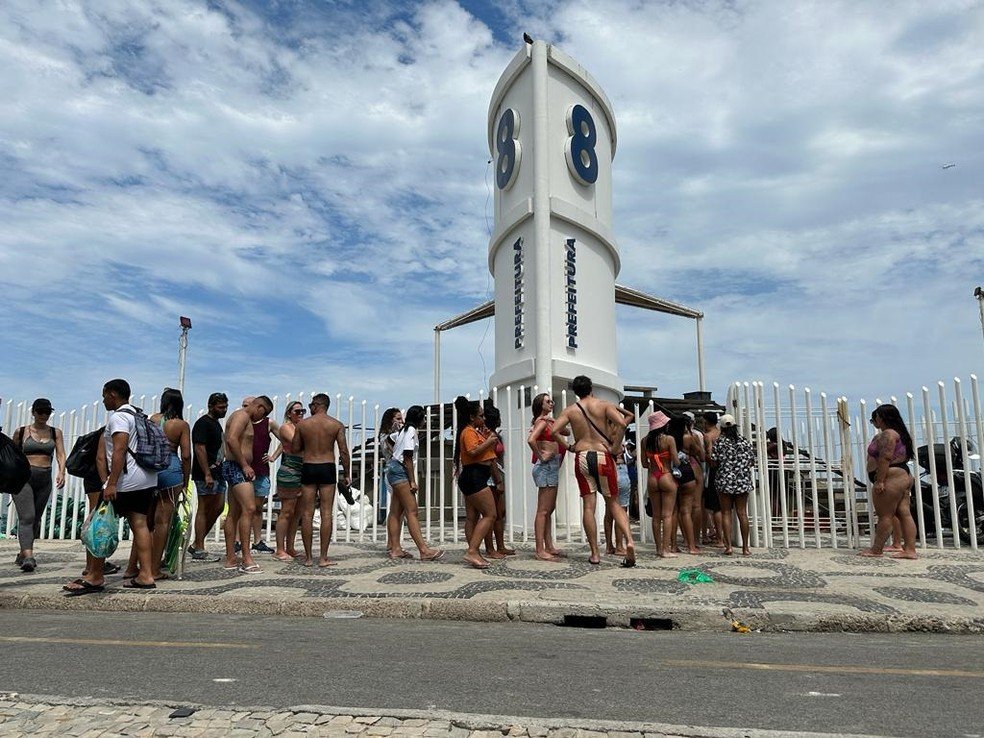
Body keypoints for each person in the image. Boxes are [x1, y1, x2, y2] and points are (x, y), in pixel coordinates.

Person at [64, 379, 159, 594]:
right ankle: (146, 575)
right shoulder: (139, 416)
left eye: (104, 395)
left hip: (126, 481)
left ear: (113, 394)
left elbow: (119, 450)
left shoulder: (119, 418)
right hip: (147, 479)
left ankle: (96, 576)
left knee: (100, 524)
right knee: (140, 524)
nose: (103, 399)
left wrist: (111, 483)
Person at [551, 376, 636, 567]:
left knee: (589, 506)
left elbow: (554, 430)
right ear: (591, 389)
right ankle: (629, 541)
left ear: (576, 391)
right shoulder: (604, 405)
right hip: (602, 455)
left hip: (582, 456)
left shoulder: (571, 410)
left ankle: (595, 554)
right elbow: (622, 424)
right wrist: (614, 446)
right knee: (613, 502)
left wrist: (570, 447)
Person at [127, 388, 190, 581]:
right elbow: (186, 455)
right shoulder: (181, 425)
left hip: (151, 469)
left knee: (144, 522)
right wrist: (186, 482)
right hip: (171, 469)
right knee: (163, 521)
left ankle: (131, 567)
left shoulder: (152, 419)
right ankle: (154, 568)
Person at [294, 393, 350, 568]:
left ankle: (309, 558)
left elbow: (295, 448)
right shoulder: (336, 425)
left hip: (309, 466)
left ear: (317, 405)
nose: (309, 408)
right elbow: (344, 451)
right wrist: (347, 473)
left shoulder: (303, 424)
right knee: (326, 513)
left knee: (307, 514)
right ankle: (323, 557)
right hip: (327, 467)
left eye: (311, 405)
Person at [221, 395, 274, 573]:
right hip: (237, 466)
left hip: (236, 465)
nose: (262, 417)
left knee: (234, 512)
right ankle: (246, 558)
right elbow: (231, 439)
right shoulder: (241, 416)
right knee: (250, 508)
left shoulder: (243, 418)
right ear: (258, 407)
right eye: (264, 412)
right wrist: (244, 464)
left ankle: (231, 557)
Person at [12, 398, 66, 573]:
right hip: (23, 479)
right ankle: (29, 557)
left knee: (35, 518)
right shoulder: (21, 432)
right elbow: (11, 455)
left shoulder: (55, 432)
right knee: (27, 517)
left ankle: (22, 552)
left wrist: (61, 472)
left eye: (47, 412)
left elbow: (61, 454)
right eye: (40, 411)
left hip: (44, 479)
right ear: (33, 412)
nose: (43, 415)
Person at [384, 405, 443, 561]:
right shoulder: (411, 431)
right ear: (419, 419)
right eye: (423, 417)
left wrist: (394, 454)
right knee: (412, 511)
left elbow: (390, 438)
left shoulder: (403, 430)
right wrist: (412, 481)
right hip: (401, 471)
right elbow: (408, 457)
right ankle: (424, 550)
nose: (424, 420)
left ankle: (395, 549)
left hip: (393, 468)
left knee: (396, 512)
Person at [859, 404, 918, 559]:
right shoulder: (900, 433)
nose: (874, 420)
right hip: (901, 475)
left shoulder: (888, 434)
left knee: (885, 515)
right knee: (904, 513)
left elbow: (885, 457)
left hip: (891, 477)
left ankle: (876, 550)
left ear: (882, 417)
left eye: (875, 417)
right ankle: (910, 550)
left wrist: (879, 481)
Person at [454, 397, 499, 569]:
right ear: (472, 417)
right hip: (474, 476)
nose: (484, 418)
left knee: (473, 516)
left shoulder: (476, 431)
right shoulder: (468, 432)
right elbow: (472, 451)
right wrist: (488, 442)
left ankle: (474, 551)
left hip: (475, 475)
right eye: (481, 415)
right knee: (490, 514)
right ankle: (472, 550)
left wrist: (486, 439)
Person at [527, 392, 569, 562]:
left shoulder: (548, 421)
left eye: (552, 400)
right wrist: (540, 455)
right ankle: (540, 549)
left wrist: (554, 421)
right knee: (543, 511)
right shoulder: (542, 422)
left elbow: (565, 431)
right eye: (547, 401)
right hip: (546, 466)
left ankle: (549, 545)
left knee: (549, 510)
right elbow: (531, 439)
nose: (551, 403)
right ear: (540, 405)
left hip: (551, 466)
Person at [187, 392, 228, 562]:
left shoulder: (216, 424)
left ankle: (198, 541)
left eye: (225, 406)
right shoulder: (202, 423)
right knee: (204, 507)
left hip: (218, 471)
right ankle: (199, 546)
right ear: (211, 406)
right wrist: (206, 473)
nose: (224, 410)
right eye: (220, 407)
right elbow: (199, 448)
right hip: (206, 472)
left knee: (218, 506)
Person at [712, 414, 755, 556]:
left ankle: (728, 546)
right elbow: (751, 462)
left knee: (726, 513)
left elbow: (714, 462)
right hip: (742, 481)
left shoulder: (719, 442)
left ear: (722, 428)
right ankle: (745, 548)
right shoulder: (745, 442)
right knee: (742, 513)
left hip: (724, 481)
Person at [243, 400, 280, 556]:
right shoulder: (242, 421)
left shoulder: (269, 423)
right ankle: (239, 541)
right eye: (243, 405)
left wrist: (273, 456)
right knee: (243, 508)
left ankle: (257, 541)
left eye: (247, 405)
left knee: (257, 508)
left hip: (261, 470)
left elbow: (285, 439)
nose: (245, 408)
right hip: (244, 470)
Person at [270, 400, 305, 562]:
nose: (300, 414)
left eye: (302, 411)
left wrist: (273, 456)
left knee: (297, 513)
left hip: (303, 471)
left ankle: (290, 546)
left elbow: (281, 446)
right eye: (297, 411)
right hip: (290, 470)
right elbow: (295, 443)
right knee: (287, 511)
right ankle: (280, 548)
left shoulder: (301, 427)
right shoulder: (286, 427)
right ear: (289, 413)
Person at [641, 411, 679, 558]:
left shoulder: (644, 441)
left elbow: (644, 464)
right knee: (667, 515)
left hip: (653, 477)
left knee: (656, 516)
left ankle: (658, 549)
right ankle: (666, 549)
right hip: (666, 475)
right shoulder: (669, 439)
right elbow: (676, 460)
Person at [482, 403, 515, 559]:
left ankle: (500, 546)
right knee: (491, 513)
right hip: (491, 476)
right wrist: (498, 480)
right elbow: (491, 459)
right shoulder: (489, 435)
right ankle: (490, 548)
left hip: (498, 474)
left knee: (500, 512)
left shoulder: (495, 434)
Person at [668, 415, 702, 554]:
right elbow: (699, 452)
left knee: (673, 511)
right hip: (686, 471)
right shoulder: (688, 438)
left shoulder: (667, 439)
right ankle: (691, 545)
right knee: (686, 511)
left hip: (671, 473)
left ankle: (673, 544)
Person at [604, 444, 632, 557]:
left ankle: (609, 546)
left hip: (608, 470)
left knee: (609, 510)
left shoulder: (603, 437)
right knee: (621, 511)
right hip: (620, 469)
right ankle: (619, 546)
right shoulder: (617, 437)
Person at [701, 413, 725, 547]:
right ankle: (722, 536)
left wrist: (702, 454)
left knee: (715, 507)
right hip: (726, 472)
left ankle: (718, 537)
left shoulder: (708, 436)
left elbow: (710, 456)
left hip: (713, 472)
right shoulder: (721, 434)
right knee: (725, 507)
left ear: (706, 422)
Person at [377, 407, 403, 526]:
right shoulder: (386, 436)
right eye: (398, 419)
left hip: (394, 468)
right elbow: (394, 452)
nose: (401, 421)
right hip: (393, 468)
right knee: (398, 503)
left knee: (397, 504)